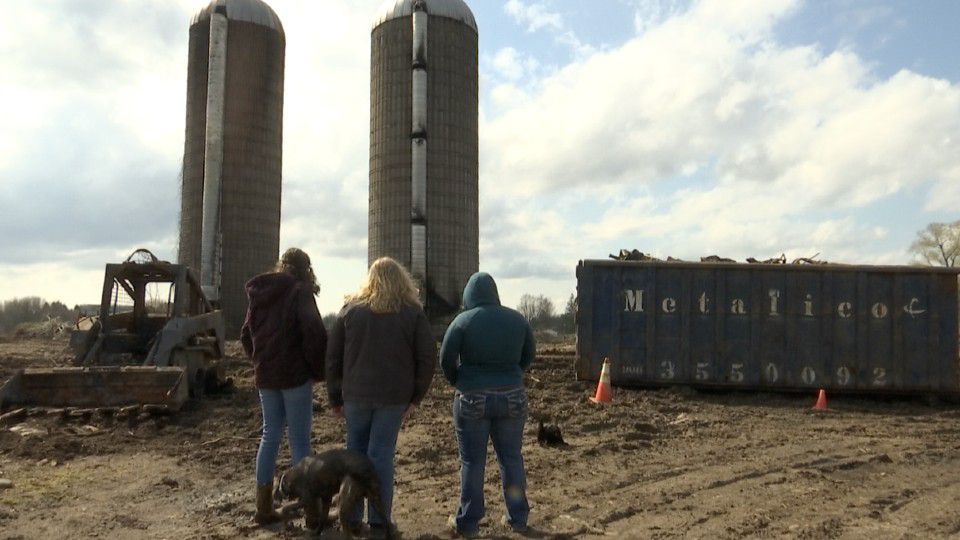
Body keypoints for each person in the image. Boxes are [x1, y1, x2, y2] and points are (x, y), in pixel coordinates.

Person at [326, 257, 435, 537]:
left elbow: (333, 357)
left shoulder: (350, 311)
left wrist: (335, 398)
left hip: (356, 396)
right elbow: (427, 358)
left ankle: (351, 519)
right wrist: (416, 398)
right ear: (402, 280)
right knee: (381, 457)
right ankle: (379, 522)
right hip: (394, 398)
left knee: (355, 456)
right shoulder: (412, 313)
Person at [440, 272, 535, 538]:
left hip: (472, 397)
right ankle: (518, 518)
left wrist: (460, 381)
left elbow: (446, 359)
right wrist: (512, 374)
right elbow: (529, 354)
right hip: (512, 395)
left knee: (472, 461)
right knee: (511, 458)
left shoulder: (462, 321)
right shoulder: (517, 320)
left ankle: (468, 523)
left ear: (468, 295)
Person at [241, 247, 327, 525]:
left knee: (270, 435)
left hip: (267, 377)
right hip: (295, 376)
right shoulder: (300, 292)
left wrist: (259, 361)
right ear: (305, 269)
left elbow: (245, 335)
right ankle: (312, 512)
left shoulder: (260, 294)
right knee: (299, 440)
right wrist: (317, 371)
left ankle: (263, 508)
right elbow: (314, 334)